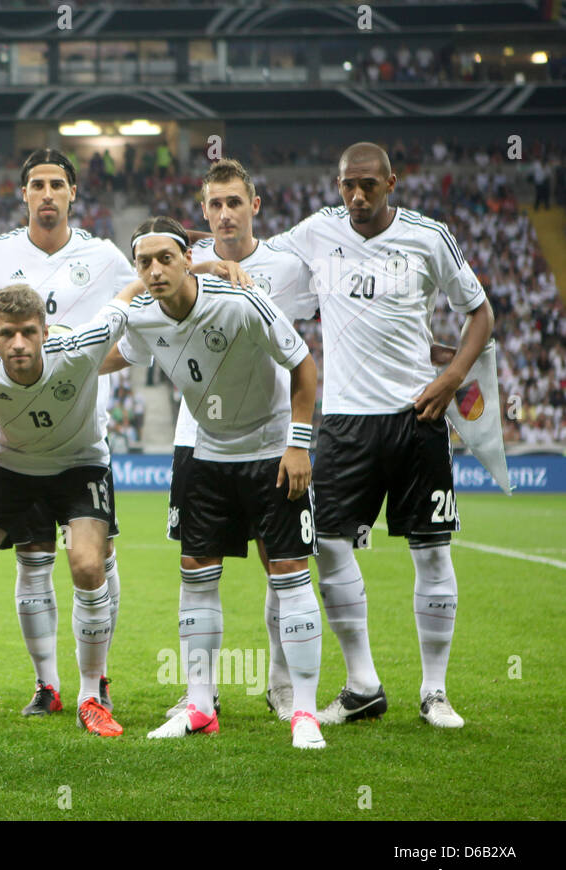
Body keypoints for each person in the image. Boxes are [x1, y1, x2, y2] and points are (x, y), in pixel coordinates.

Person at [267, 142, 493, 729]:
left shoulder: (428, 236)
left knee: (432, 549)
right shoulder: (318, 231)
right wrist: (206, 256)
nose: (358, 196)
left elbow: (481, 312)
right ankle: (363, 683)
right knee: (332, 545)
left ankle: (435, 692)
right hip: (342, 424)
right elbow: (258, 262)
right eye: (348, 185)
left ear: (392, 182)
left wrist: (452, 377)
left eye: (369, 184)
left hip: (417, 418)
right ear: (337, 184)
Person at [0, 148, 137, 717]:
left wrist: (82, 365)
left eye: (57, 184)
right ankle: (46, 685)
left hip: (83, 427)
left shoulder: (105, 256)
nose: (46, 193)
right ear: (24, 194)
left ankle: (98, 682)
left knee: (95, 561)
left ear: (72, 194)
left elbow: (139, 318)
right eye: (36, 184)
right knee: (32, 558)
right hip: (13, 439)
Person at [103, 217, 325, 750]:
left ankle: (305, 712)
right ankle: (200, 707)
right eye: (144, 262)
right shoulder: (141, 318)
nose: (155, 270)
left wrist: (298, 444)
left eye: (165, 259)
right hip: (205, 455)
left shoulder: (241, 301)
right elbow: (104, 353)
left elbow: (303, 365)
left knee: (291, 574)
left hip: (271, 451)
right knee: (196, 577)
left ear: (187, 257)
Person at [162, 158, 320, 723]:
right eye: (215, 204)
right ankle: (201, 694)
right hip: (197, 437)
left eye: (235, 202)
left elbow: (337, 324)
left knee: (280, 563)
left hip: (273, 437)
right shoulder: (187, 270)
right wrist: (202, 262)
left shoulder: (286, 267)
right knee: (199, 563)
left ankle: (282, 683)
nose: (225, 213)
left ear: (254, 206)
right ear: (203, 213)